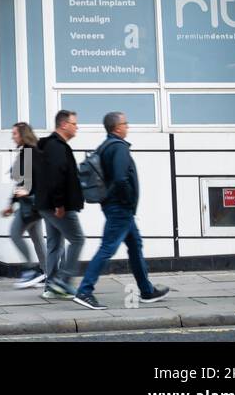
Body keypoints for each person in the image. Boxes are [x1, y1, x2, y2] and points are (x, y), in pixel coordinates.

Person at [73, 112, 171, 310]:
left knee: (135, 245)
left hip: (115, 206)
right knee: (107, 248)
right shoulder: (118, 148)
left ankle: (146, 290)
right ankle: (84, 291)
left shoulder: (105, 146)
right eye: (125, 123)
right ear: (117, 127)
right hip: (120, 208)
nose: (128, 126)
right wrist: (128, 201)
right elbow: (120, 178)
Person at [35, 109, 85, 298]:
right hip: (58, 207)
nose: (76, 127)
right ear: (64, 125)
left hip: (47, 205)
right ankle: (62, 282)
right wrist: (59, 204)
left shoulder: (49, 145)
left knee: (55, 244)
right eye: (74, 124)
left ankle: (50, 287)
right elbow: (56, 177)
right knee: (78, 239)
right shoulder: (57, 147)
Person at [2, 122, 47, 288]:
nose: (12, 137)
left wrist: (20, 196)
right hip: (35, 204)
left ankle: (31, 270)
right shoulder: (31, 151)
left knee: (15, 233)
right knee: (37, 239)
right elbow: (25, 181)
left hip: (30, 205)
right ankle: (47, 273)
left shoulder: (29, 152)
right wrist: (11, 204)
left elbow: (26, 182)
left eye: (14, 133)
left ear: (22, 134)